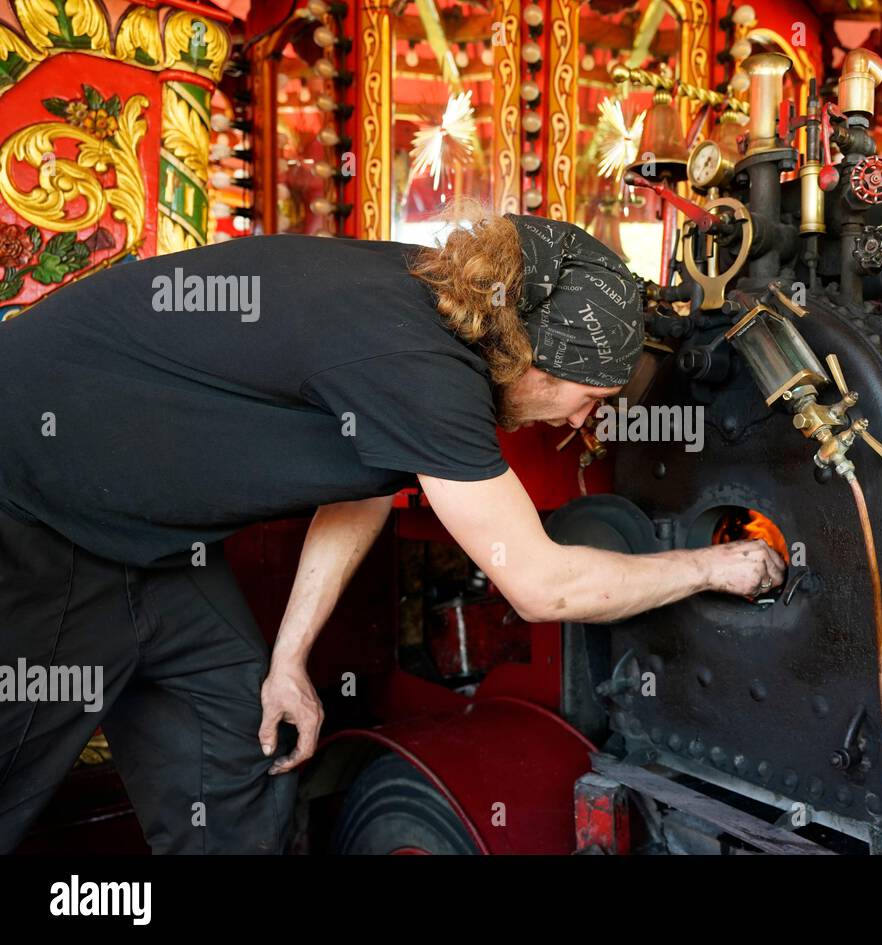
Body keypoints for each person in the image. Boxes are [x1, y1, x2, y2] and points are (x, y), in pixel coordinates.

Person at [0, 202, 785, 853]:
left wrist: (290, 659)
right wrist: (712, 569)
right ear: (536, 361)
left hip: (151, 532)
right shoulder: (424, 365)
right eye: (587, 395)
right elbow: (542, 584)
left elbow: (362, 477)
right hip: (33, 507)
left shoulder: (440, 313)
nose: (585, 420)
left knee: (239, 753)